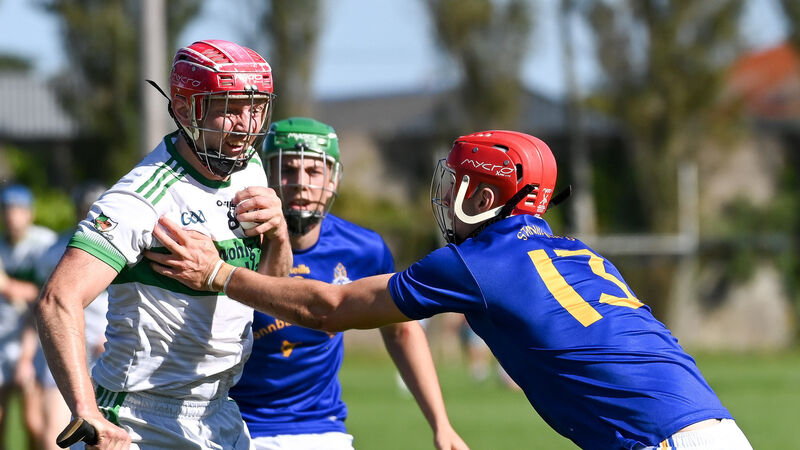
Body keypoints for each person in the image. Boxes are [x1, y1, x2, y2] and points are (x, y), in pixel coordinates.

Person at [149, 130, 754, 450]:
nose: (443, 196)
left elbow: (329, 309)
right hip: (716, 430)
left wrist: (219, 274)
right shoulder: (581, 254)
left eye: (454, 183)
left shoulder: (476, 260)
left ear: (484, 198)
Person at [35, 39, 292, 450]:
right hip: (141, 420)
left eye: (256, 106)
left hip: (222, 412)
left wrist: (279, 236)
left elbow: (273, 295)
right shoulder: (141, 198)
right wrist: (85, 411)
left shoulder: (250, 170)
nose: (247, 125)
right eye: (230, 109)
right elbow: (57, 300)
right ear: (188, 108)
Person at [229, 117, 466, 450]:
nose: (300, 183)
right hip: (231, 425)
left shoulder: (363, 250)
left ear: (334, 177)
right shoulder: (231, 246)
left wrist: (442, 425)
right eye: (287, 169)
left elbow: (402, 331)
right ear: (264, 176)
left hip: (321, 430)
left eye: (313, 171)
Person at [34, 182, 110, 450]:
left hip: (105, 343)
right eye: (84, 208)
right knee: (54, 427)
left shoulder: (120, 242)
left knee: (101, 429)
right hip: (65, 337)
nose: (88, 213)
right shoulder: (55, 249)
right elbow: (44, 300)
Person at [0, 184, 58, 449]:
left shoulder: (45, 244)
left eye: (18, 210)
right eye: (7, 210)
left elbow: (47, 292)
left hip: (33, 337)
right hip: (4, 337)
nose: (12, 216)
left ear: (30, 213)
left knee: (33, 420)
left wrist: (8, 286)